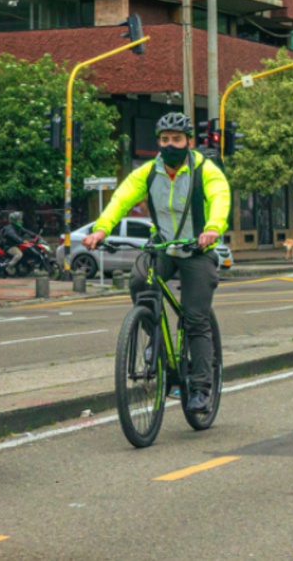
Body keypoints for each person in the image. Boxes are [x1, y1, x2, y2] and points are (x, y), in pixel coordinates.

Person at [81, 112, 231, 413]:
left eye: (176, 139)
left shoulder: (206, 170)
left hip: (197, 250)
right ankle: (155, 337)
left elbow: (220, 197)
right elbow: (121, 199)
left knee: (195, 319)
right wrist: (101, 229)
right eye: (164, 139)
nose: (170, 144)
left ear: (189, 142)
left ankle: (201, 388)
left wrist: (213, 228)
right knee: (139, 280)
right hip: (163, 248)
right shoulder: (149, 172)